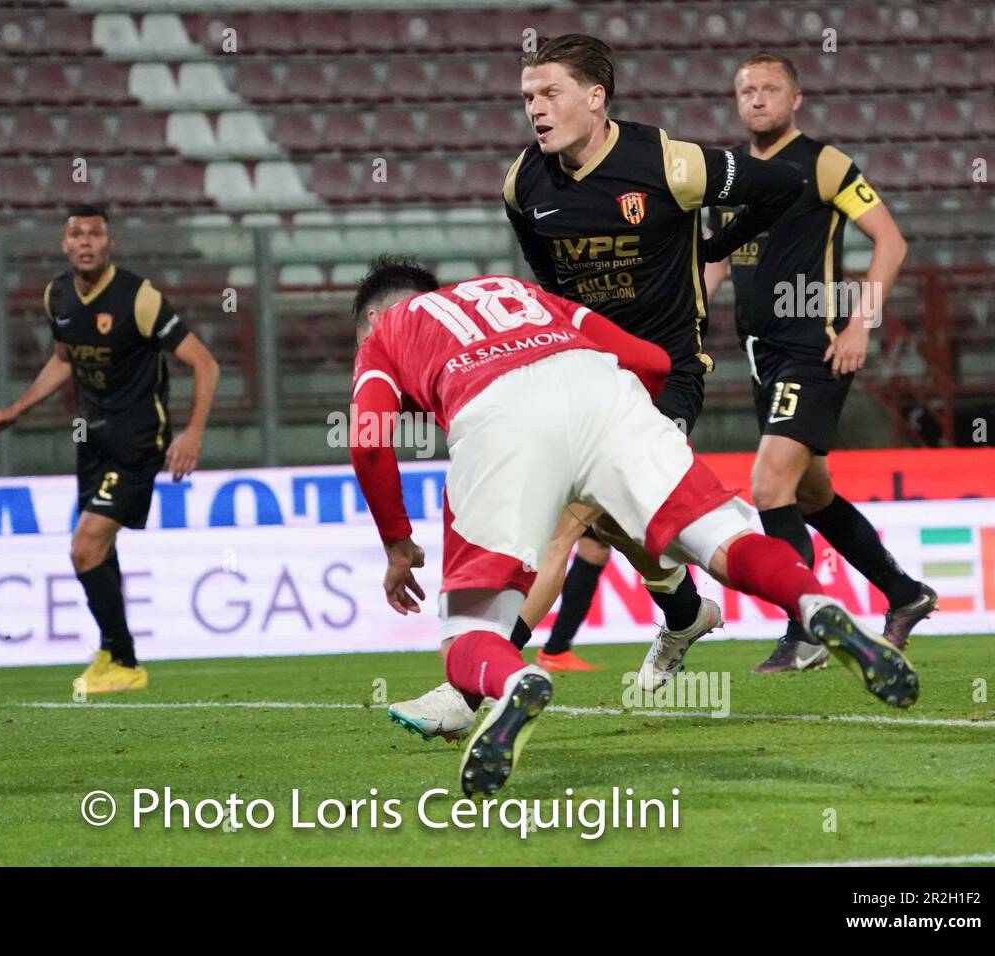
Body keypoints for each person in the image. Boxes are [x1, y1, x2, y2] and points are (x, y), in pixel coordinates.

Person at [348, 257, 918, 797]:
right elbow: (651, 361)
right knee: (726, 542)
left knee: (469, 629)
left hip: (497, 414)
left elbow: (368, 442)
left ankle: (512, 682)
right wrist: (617, 447)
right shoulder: (516, 290)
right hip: (604, 391)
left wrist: (398, 545)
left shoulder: (385, 333)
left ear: (373, 315)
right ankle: (812, 604)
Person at [389, 33, 805, 736]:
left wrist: (708, 246)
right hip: (580, 373)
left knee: (566, 522)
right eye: (527, 97)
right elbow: (549, 286)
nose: (535, 109)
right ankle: (682, 610)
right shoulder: (524, 184)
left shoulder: (668, 164)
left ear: (595, 97)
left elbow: (787, 185)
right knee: (613, 515)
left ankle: (467, 695)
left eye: (550, 93)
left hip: (664, 375)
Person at [704, 53, 936, 673]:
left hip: (817, 343)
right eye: (746, 89)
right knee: (810, 495)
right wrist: (688, 320)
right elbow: (717, 261)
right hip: (761, 351)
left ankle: (805, 626)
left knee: (768, 486)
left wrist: (862, 321)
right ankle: (907, 594)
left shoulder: (823, 162)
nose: (756, 99)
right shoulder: (727, 176)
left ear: (796, 98)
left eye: (770, 89)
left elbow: (891, 240)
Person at [0, 204, 219, 693]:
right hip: (92, 440)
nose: (85, 241)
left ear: (109, 244)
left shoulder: (140, 298)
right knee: (98, 549)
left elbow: (205, 363)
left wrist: (192, 433)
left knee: (84, 546)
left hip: (137, 439)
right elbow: (63, 361)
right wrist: (17, 409)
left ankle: (124, 662)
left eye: (95, 233)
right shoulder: (58, 296)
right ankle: (117, 656)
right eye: (76, 234)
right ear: (64, 244)